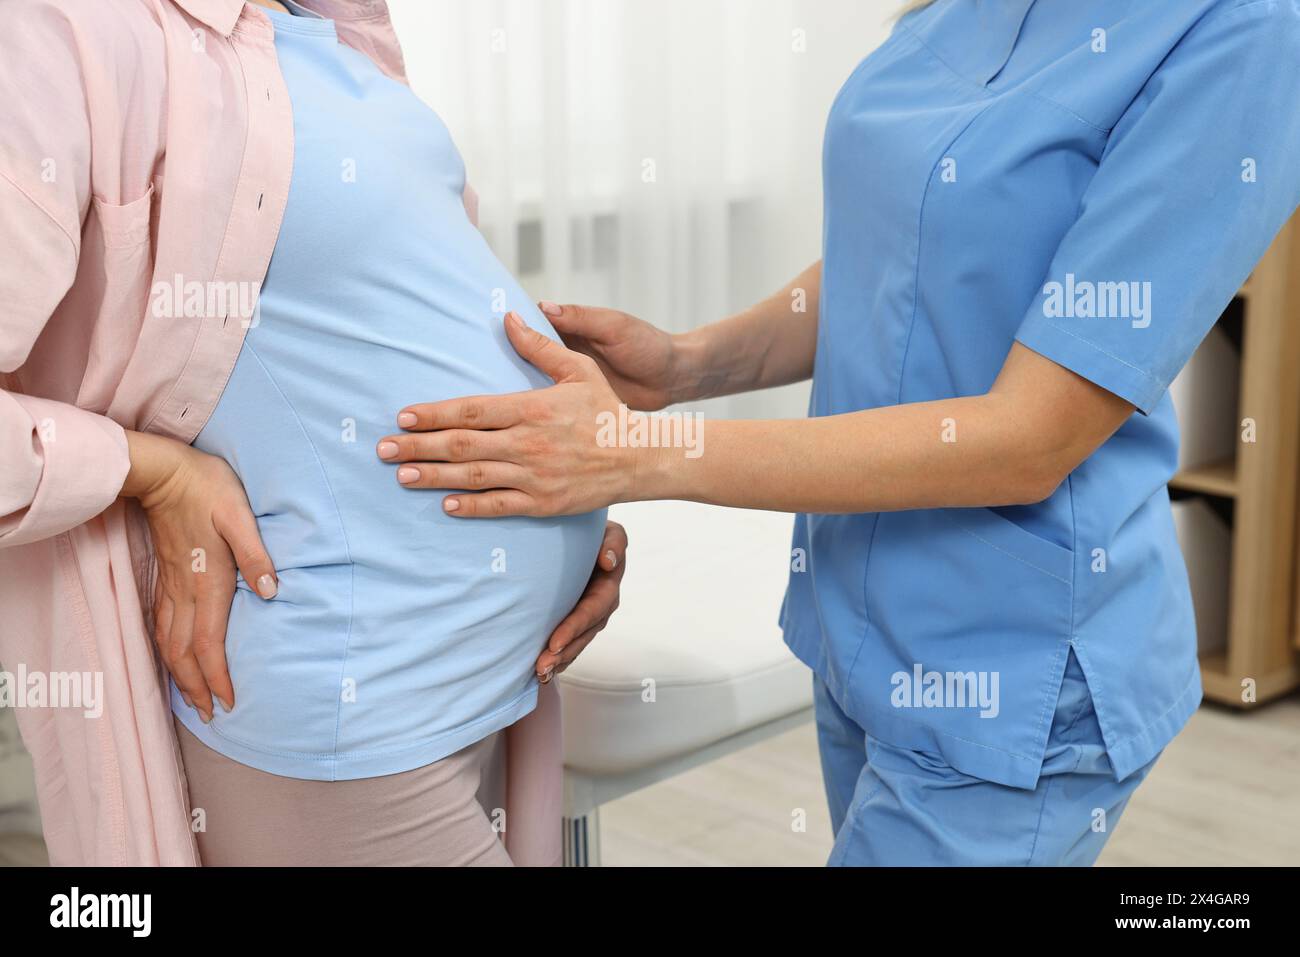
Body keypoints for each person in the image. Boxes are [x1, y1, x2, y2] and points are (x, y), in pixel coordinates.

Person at [386, 0, 1300, 864]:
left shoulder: (1240, 34)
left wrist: (631, 452)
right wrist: (686, 365)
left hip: (1011, 669)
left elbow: (1030, 439)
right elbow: (908, 246)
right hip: (857, 619)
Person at [0, 0, 625, 866]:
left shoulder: (332, 30)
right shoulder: (60, 29)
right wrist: (153, 472)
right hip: (347, 699)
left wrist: (568, 499)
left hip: (488, 676)